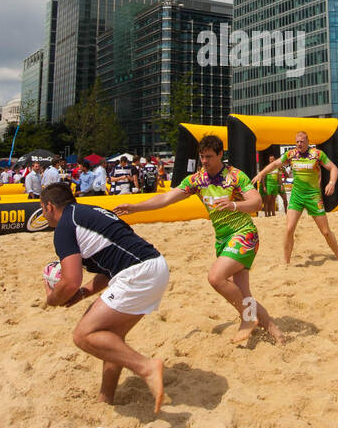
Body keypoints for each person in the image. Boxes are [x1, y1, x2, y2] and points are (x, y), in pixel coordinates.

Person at [116, 134, 283, 345]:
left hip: (244, 234)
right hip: (223, 239)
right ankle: (275, 331)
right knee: (243, 293)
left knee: (215, 278)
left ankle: (247, 319)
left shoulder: (234, 176)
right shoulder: (197, 179)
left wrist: (233, 205)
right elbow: (166, 198)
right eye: (202, 157)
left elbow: (256, 202)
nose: (204, 161)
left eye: (209, 157)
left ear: (221, 154)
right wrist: (135, 207)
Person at [39, 182, 167, 411]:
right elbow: (109, 269)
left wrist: (51, 299)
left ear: (49, 206)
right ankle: (105, 399)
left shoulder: (65, 227)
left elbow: (69, 281)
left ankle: (146, 367)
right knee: (111, 337)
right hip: (154, 268)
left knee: (83, 335)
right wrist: (83, 293)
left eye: (42, 209)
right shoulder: (91, 212)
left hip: (138, 273)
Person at [252, 131, 338, 264]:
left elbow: (333, 168)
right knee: (289, 229)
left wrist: (332, 182)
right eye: (297, 142)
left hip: (313, 196)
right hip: (297, 196)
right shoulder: (291, 154)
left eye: (302, 141)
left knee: (325, 231)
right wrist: (261, 174)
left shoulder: (317, 154)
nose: (299, 144)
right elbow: (275, 164)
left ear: (308, 141)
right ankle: (286, 262)